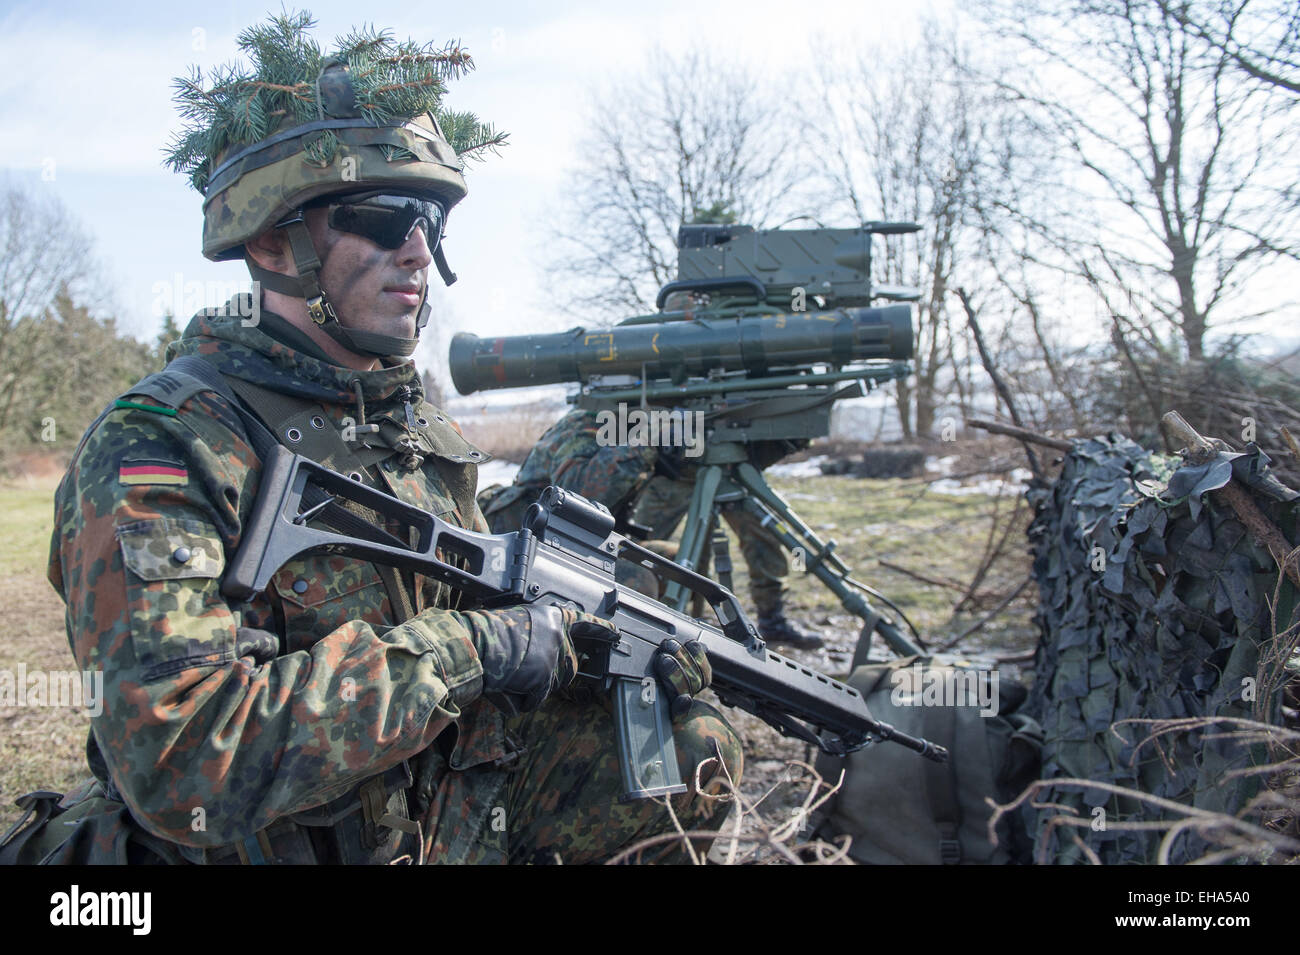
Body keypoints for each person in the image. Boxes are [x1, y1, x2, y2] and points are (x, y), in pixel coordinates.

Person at [7, 19, 741, 865]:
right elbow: (179, 761)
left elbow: (465, 604)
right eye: (385, 215)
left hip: (416, 810)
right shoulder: (164, 445)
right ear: (272, 240)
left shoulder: (414, 429)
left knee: (687, 748)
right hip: (246, 846)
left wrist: (581, 633)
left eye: (428, 217)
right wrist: (471, 649)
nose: (419, 250)